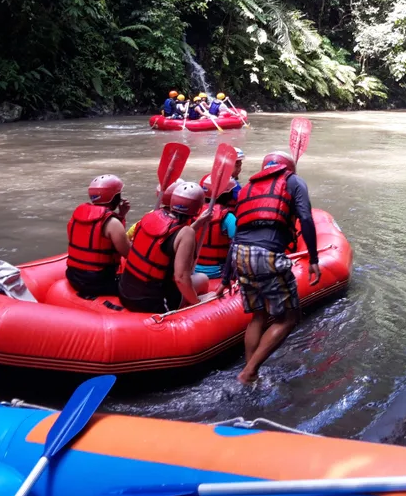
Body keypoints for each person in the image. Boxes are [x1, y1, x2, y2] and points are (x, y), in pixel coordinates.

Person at [217, 150, 320, 384]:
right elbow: (305, 218)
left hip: (240, 255)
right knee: (288, 318)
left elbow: (238, 235)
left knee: (258, 316)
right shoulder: (294, 181)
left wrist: (225, 278)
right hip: (267, 254)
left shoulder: (246, 189)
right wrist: (313, 258)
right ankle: (249, 372)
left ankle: (250, 371)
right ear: (288, 167)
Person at [119, 182, 211, 314]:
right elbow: (181, 278)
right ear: (198, 208)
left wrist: (198, 223)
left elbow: (172, 237)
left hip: (125, 292)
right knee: (203, 279)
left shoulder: (151, 216)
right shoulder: (186, 234)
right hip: (153, 303)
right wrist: (196, 302)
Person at [66, 175, 132, 298]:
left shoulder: (76, 216)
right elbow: (128, 254)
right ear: (115, 197)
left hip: (73, 276)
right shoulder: (112, 223)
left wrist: (121, 215)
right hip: (98, 282)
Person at [194, 175, 237, 280]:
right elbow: (238, 246)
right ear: (228, 195)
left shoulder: (193, 212)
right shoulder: (229, 217)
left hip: (192, 268)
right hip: (218, 271)